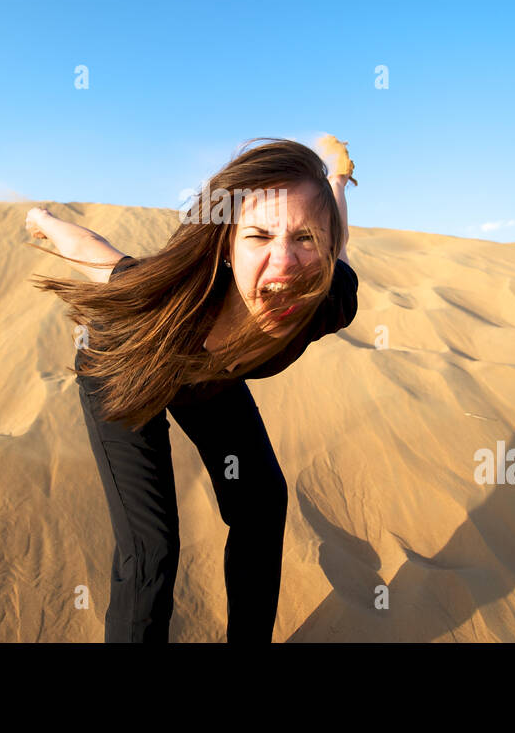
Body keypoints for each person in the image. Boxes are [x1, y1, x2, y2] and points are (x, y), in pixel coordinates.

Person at [26, 136, 358, 642]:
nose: (286, 263)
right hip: (128, 368)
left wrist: (335, 177)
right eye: (259, 236)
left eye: (306, 239)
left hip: (208, 381)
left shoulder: (329, 297)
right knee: (151, 549)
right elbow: (98, 256)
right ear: (226, 247)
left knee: (261, 504)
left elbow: (338, 229)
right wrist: (44, 221)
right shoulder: (172, 300)